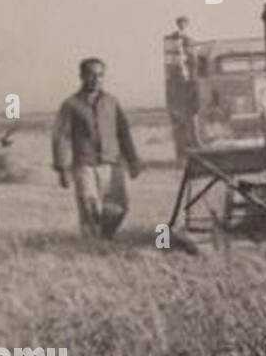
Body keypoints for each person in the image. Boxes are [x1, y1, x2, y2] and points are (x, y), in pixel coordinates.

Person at [51, 58, 144, 239]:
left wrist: (133, 161)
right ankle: (92, 245)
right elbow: (60, 137)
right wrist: (62, 168)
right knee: (89, 205)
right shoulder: (71, 105)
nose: (96, 79)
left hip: (111, 162)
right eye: (91, 75)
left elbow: (123, 132)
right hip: (85, 164)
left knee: (119, 207)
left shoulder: (112, 102)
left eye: (100, 75)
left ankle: (105, 237)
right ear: (82, 76)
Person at [163, 16, 198, 158]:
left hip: (187, 85)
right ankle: (182, 153)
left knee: (190, 121)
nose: (182, 25)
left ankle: (190, 149)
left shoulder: (189, 40)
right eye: (181, 23)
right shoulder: (173, 40)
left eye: (184, 23)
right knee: (181, 124)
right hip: (179, 88)